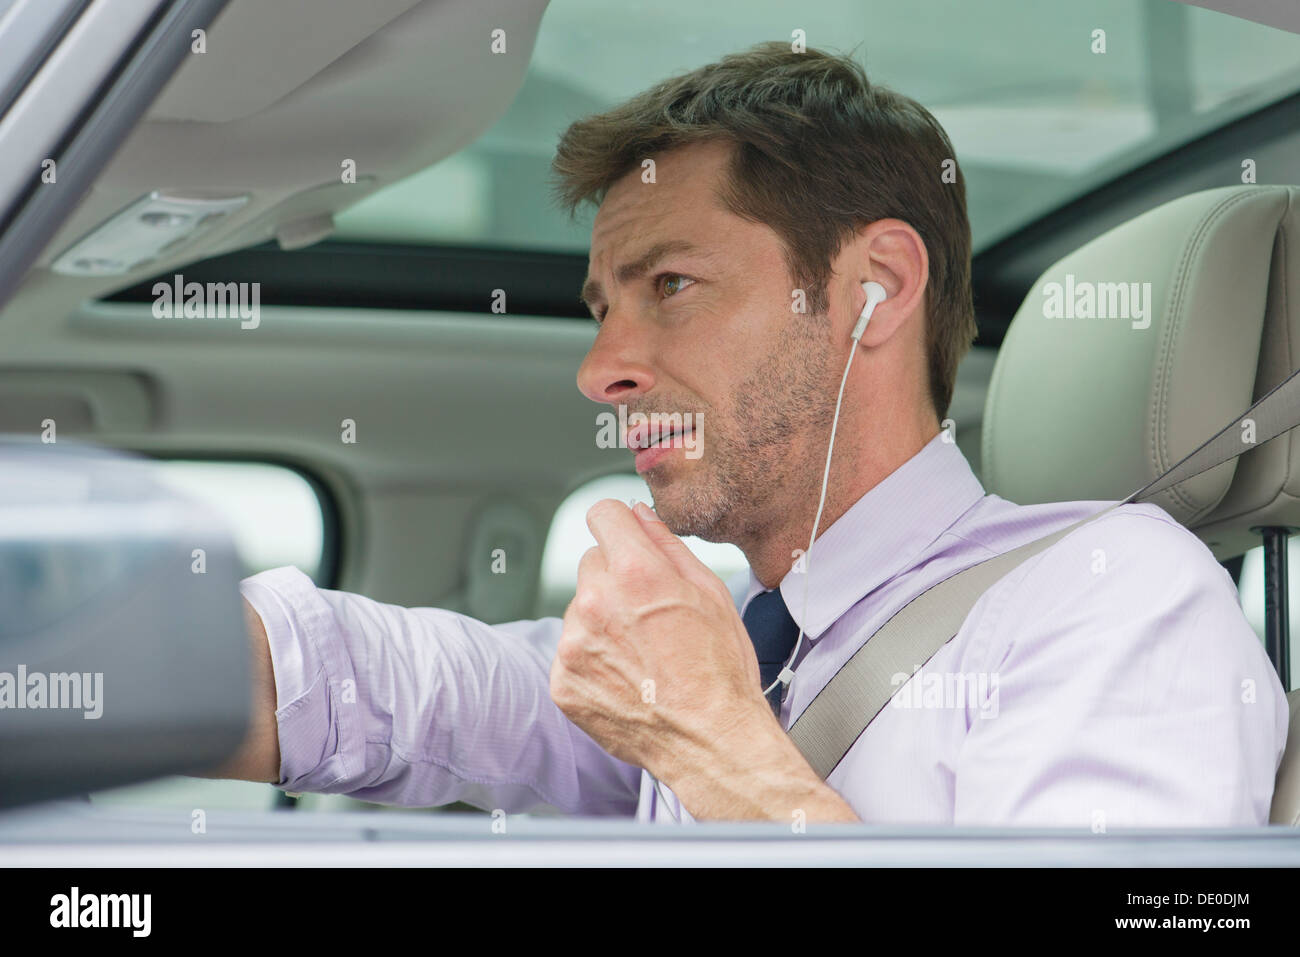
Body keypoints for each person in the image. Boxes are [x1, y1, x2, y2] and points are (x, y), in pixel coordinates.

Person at [203, 43, 1286, 826]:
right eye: (601, 308)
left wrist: (709, 744)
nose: (600, 370)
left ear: (875, 287)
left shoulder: (1108, 598)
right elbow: (390, 685)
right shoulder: (732, 640)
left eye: (670, 284)